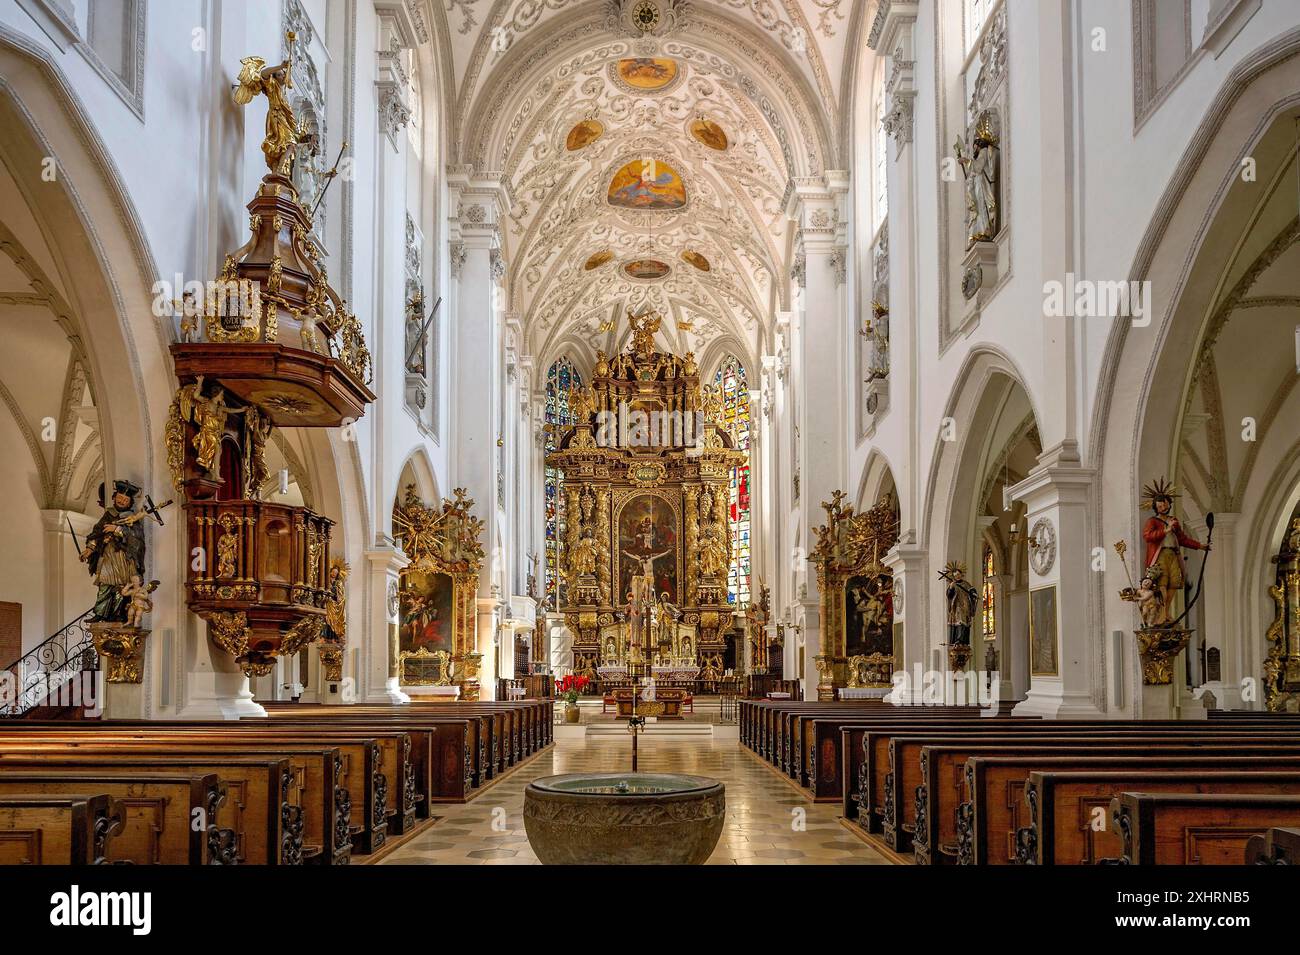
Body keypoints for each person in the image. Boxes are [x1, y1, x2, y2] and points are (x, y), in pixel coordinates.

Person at [1140, 478, 1208, 624]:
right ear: (1156, 507)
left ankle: (1166, 612)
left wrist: (1199, 546)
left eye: (1165, 504)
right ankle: (1162, 615)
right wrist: (1165, 530)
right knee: (1162, 583)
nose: (1163, 507)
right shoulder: (1153, 521)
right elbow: (1147, 536)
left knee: (1174, 582)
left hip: (1174, 554)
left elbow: (1182, 539)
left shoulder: (1174, 520)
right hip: (1160, 555)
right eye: (1160, 505)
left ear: (1169, 504)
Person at [82, 480, 147, 623]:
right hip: (108, 556)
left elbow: (137, 539)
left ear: (130, 502)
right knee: (104, 584)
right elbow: (97, 533)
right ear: (114, 498)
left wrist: (117, 530)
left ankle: (118, 614)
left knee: (120, 587)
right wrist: (89, 549)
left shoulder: (132, 518)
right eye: (119, 498)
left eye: (125, 500)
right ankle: (101, 613)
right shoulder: (108, 515)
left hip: (124, 558)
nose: (122, 501)